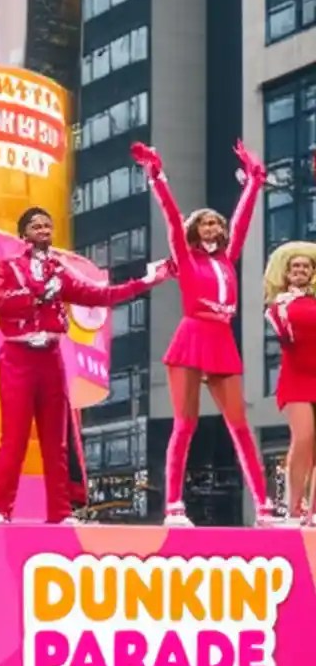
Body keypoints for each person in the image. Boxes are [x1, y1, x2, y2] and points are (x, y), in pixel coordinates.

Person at [0, 208, 170, 524]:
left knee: (56, 442)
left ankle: (60, 512)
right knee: (14, 439)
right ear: (23, 234)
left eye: (48, 225)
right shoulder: (7, 267)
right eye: (36, 226)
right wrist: (38, 294)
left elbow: (98, 295)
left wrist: (146, 282)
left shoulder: (58, 271)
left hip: (50, 357)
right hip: (18, 356)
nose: (44, 230)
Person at [131, 140, 274, 526]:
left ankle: (264, 506)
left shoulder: (227, 258)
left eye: (218, 223)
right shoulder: (185, 255)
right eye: (207, 222)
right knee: (185, 424)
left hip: (222, 339)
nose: (215, 226)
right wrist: (157, 175)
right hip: (192, 336)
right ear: (195, 229)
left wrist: (254, 181)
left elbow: (243, 221)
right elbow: (170, 215)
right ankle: (174, 505)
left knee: (239, 425)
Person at [263, 242, 316, 523]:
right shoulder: (279, 305)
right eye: (295, 266)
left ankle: (313, 510)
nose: (300, 270)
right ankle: (294, 506)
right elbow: (285, 336)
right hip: (297, 376)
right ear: (286, 272)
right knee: (303, 438)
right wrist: (281, 308)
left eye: (306, 266)